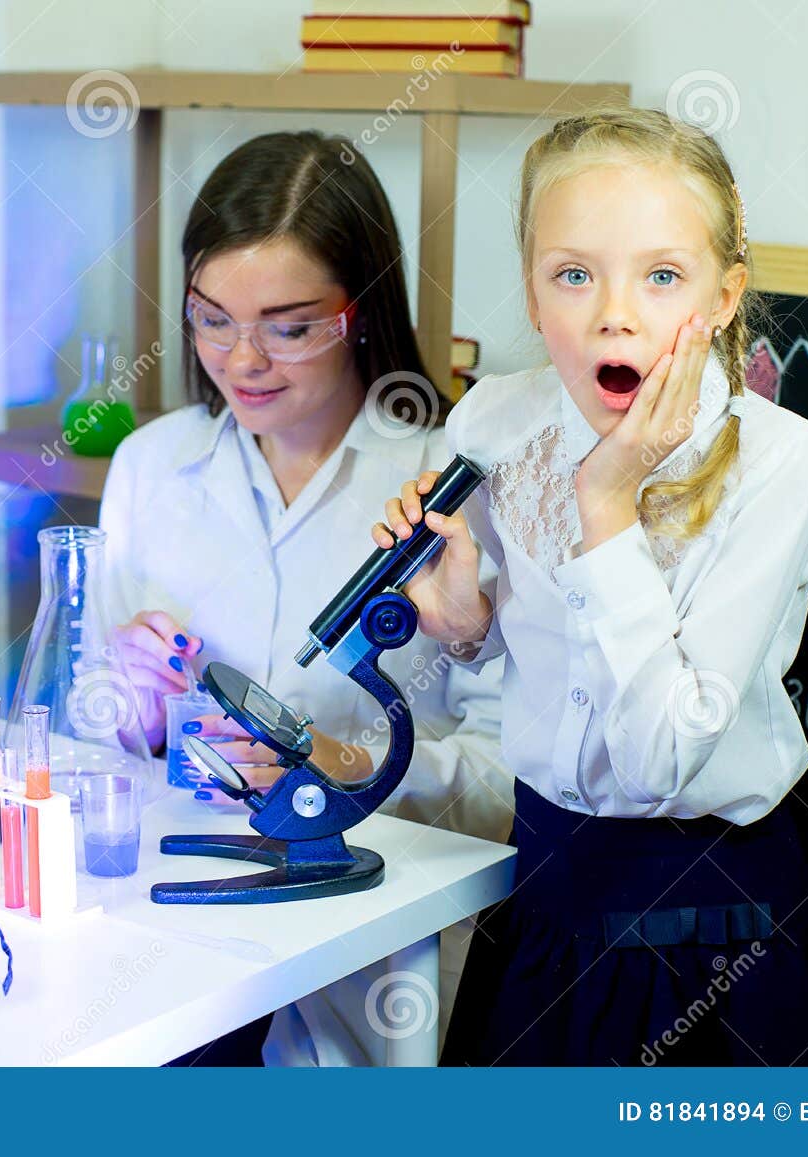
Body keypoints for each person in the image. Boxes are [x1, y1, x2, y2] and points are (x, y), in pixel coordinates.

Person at [375, 107, 808, 1065]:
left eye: (663, 276)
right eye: (573, 274)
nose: (614, 313)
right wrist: (466, 622)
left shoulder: (781, 461)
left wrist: (607, 502)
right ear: (533, 291)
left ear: (726, 295)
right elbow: (522, 651)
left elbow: (661, 756)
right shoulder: (492, 423)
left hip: (714, 924)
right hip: (547, 889)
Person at [99, 132, 512, 1066]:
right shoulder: (150, 468)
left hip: (362, 972)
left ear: (359, 311)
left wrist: (340, 759)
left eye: (288, 326)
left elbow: (503, 789)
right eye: (210, 319)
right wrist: (131, 706)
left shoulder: (446, 489)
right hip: (163, 959)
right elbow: (92, 744)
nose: (242, 360)